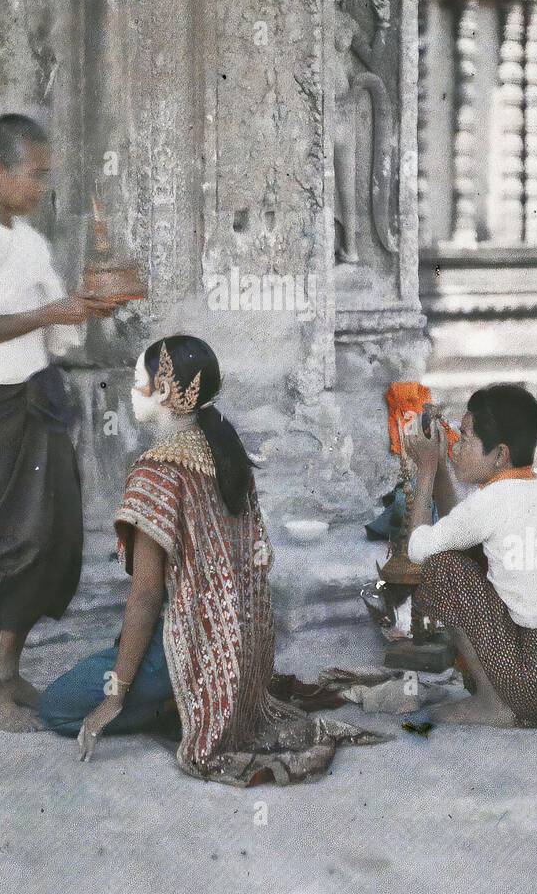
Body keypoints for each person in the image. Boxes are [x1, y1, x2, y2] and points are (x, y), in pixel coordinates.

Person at [38, 334, 384, 785]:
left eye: (140, 379)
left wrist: (115, 698)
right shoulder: (225, 450)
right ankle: (180, 700)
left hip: (186, 649)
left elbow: (145, 597)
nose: (131, 388)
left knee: (56, 708)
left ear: (165, 391)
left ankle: (171, 705)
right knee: (123, 653)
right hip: (240, 653)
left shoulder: (157, 471)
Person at [0, 113, 113, 732]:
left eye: (47, 176)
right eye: (34, 176)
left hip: (37, 396)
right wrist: (52, 310)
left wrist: (83, 306)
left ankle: (10, 670)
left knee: (49, 539)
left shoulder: (30, 241)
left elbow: (60, 335)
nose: (42, 188)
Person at [401, 383, 537, 728]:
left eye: (465, 438)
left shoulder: (492, 502)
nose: (457, 446)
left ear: (500, 455)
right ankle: (499, 696)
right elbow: (460, 533)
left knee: (442, 568)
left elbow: (419, 549)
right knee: (466, 558)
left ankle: (492, 703)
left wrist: (425, 472)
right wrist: (439, 467)